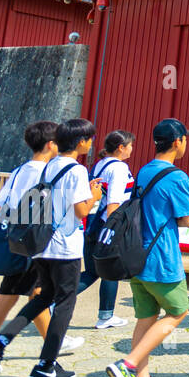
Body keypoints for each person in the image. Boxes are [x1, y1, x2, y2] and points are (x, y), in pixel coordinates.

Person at [0, 118, 98, 377]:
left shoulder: (47, 167)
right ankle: (45, 365)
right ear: (80, 142)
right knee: (64, 302)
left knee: (42, 298)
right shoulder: (76, 170)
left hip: (41, 246)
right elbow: (80, 210)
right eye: (89, 138)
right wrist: (94, 197)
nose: (91, 143)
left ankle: (1, 342)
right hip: (65, 246)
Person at [105, 118, 189, 377]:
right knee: (178, 312)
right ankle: (128, 364)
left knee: (145, 318)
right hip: (162, 258)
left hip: (137, 255)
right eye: (185, 139)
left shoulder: (144, 170)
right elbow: (188, 219)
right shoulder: (177, 176)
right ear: (178, 142)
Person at [76, 130, 135, 328]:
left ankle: (50, 300)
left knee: (92, 271)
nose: (131, 149)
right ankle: (106, 315)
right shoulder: (119, 168)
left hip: (92, 223)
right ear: (121, 147)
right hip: (108, 224)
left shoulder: (99, 165)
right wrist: (114, 230)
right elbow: (114, 202)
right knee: (111, 270)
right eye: (130, 145)